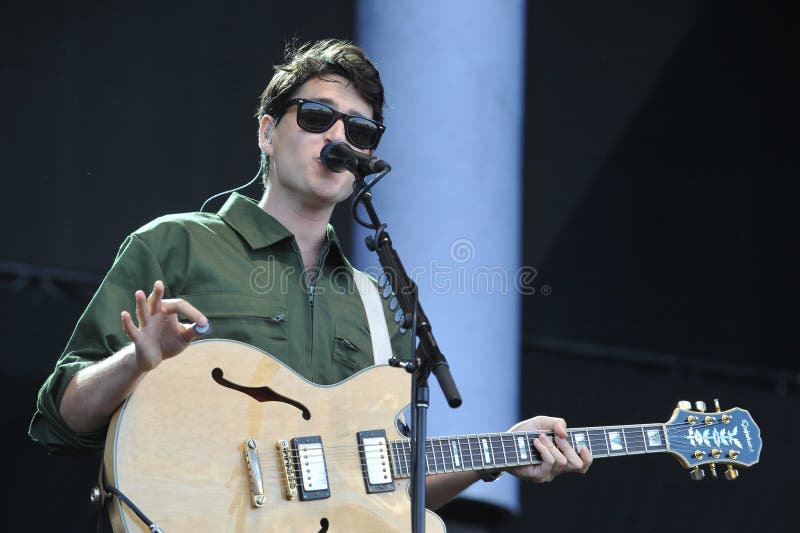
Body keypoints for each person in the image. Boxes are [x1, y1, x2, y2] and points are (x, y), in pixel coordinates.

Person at [30, 38, 591, 515]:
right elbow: (62, 419)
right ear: (267, 133)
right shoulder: (177, 245)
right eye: (318, 116)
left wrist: (496, 457)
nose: (340, 138)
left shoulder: (373, 302)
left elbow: (384, 480)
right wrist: (136, 360)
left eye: (361, 129)